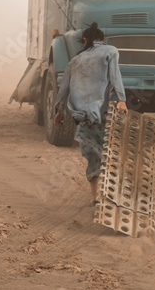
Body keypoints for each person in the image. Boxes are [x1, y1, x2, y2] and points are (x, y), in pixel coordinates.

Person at [53, 22, 127, 203]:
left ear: (86, 40)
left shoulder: (74, 60)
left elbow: (63, 90)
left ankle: (96, 198)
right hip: (104, 113)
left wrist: (59, 111)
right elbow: (114, 75)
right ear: (102, 39)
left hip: (83, 117)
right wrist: (122, 101)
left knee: (93, 156)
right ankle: (114, 193)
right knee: (111, 152)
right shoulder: (110, 51)